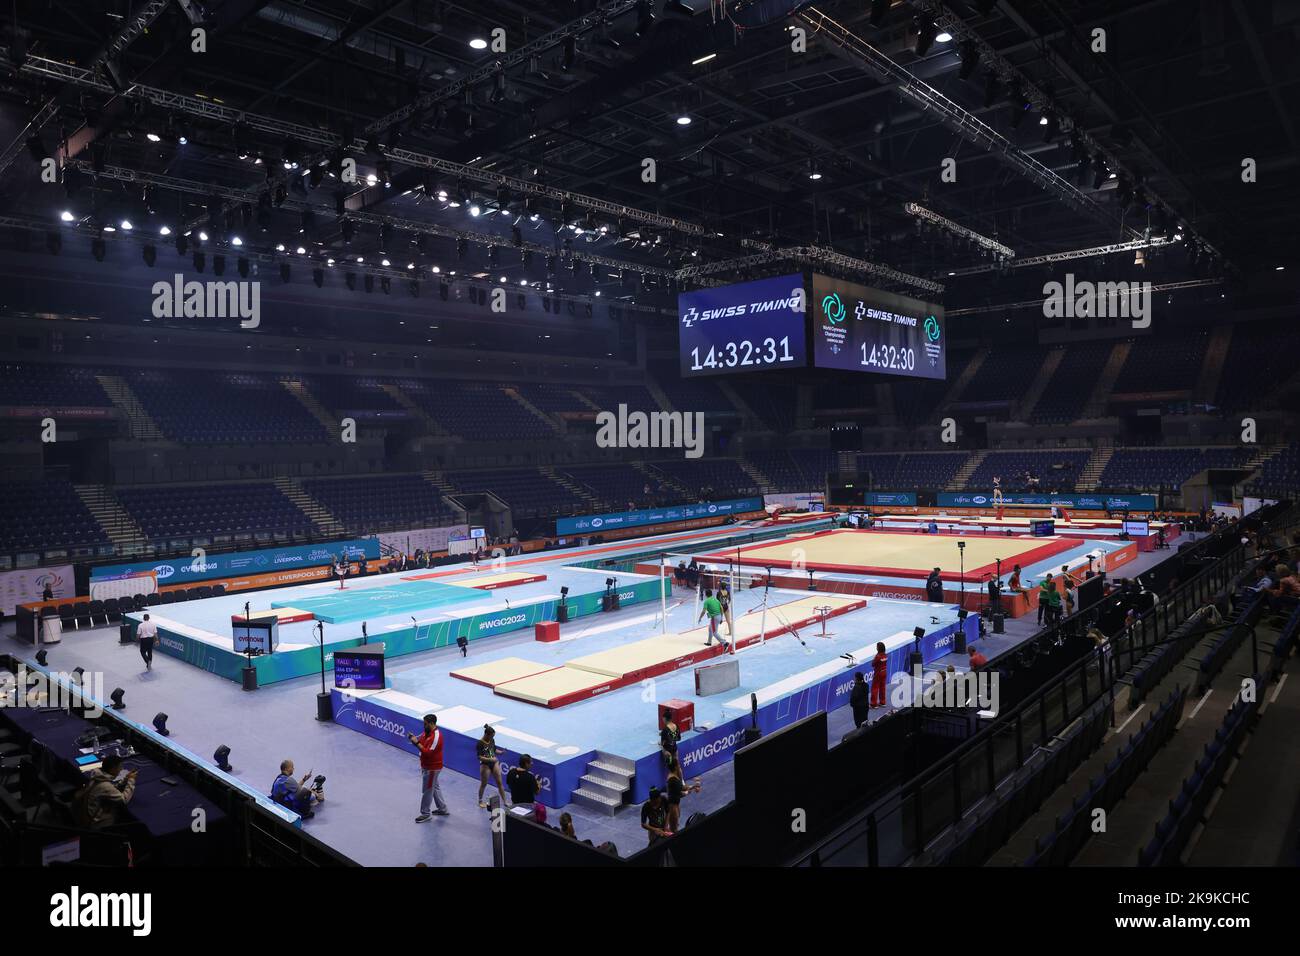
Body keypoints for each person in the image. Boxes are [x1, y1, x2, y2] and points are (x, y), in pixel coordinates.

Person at [73, 754, 138, 829]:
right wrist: (131, 780)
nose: (121, 769)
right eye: (120, 767)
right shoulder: (106, 786)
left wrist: (126, 779)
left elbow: (110, 789)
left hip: (86, 814)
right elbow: (123, 800)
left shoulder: (96, 775)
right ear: (113, 769)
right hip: (97, 823)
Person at [409, 713, 449, 821]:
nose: (424, 725)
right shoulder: (426, 733)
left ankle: (425, 813)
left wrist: (416, 743)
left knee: (428, 789)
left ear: (432, 723)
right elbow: (421, 743)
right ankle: (442, 808)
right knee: (434, 787)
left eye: (425, 724)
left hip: (432, 768)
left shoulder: (436, 736)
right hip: (427, 765)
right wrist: (413, 740)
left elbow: (428, 753)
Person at [664, 757, 701, 832]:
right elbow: (683, 788)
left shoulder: (674, 776)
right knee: (674, 829)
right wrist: (693, 786)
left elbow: (680, 792)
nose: (679, 766)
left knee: (676, 824)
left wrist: (692, 788)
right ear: (675, 767)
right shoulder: (672, 778)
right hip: (672, 805)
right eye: (678, 765)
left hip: (676, 804)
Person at [476, 725, 507, 808]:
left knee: (499, 782)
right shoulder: (480, 743)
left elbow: (493, 749)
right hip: (485, 765)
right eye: (491, 736)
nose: (492, 737)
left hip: (494, 763)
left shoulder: (492, 740)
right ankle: (480, 801)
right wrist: (490, 760)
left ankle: (505, 801)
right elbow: (479, 757)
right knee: (484, 784)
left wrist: (500, 752)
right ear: (487, 734)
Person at [871, 641, 889, 708]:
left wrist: (875, 658)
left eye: (877, 647)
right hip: (884, 672)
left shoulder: (878, 656)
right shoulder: (885, 655)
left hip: (878, 673)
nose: (876, 648)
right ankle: (883, 702)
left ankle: (874, 704)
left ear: (879, 648)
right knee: (882, 687)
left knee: (875, 688)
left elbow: (873, 664)